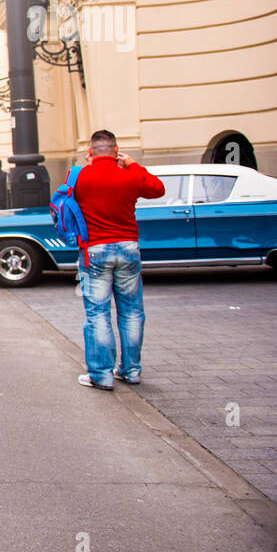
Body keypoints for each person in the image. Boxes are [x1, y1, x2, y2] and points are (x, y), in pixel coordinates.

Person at [72, 129, 165, 391]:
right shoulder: (129, 175)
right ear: (116, 151)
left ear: (90, 151)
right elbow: (158, 189)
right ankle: (131, 371)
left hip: (95, 251)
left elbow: (65, 204)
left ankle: (101, 375)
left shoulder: (79, 176)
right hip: (128, 248)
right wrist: (133, 164)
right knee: (132, 311)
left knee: (97, 314)